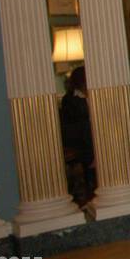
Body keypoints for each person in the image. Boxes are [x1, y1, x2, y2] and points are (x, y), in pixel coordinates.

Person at [59, 66, 94, 205]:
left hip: (90, 133)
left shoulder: (96, 94)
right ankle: (92, 164)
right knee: (86, 129)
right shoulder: (69, 99)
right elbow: (74, 123)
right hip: (78, 136)